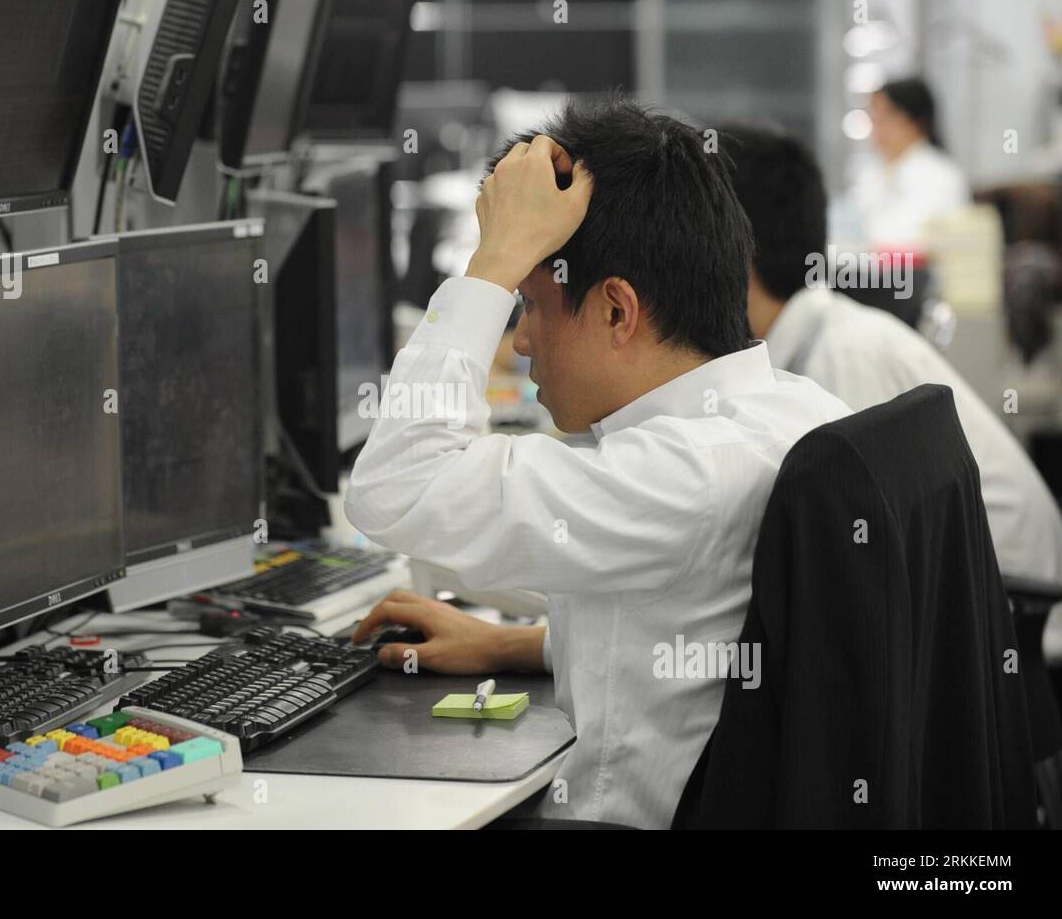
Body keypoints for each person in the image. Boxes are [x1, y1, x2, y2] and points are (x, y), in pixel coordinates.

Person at [342, 95, 851, 827]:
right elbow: (684, 637)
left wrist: (487, 268)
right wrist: (516, 646)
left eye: (530, 306)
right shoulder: (793, 409)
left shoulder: (677, 474)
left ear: (617, 310)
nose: (519, 341)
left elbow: (395, 485)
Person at [722, 123, 1062, 586]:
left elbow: (852, 558)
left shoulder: (840, 357)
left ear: (737, 255)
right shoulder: (821, 337)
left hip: (1014, 608)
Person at [853, 77, 969, 248]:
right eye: (873, 117)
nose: (876, 128)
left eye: (884, 118)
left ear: (914, 122)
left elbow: (911, 240)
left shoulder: (941, 176)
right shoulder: (873, 173)